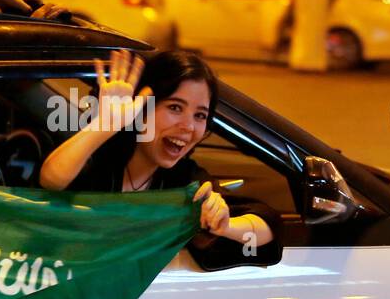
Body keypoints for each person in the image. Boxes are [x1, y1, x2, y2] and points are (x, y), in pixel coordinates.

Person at [38, 49, 281, 270]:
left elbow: (267, 223)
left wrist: (227, 226)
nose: (187, 126)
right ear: (142, 107)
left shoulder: (185, 181)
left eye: (199, 115)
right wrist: (105, 125)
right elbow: (51, 179)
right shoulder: (100, 156)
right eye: (175, 108)